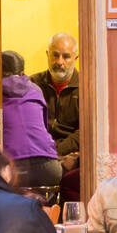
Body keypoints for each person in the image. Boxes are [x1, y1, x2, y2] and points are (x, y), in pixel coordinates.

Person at [30, 33, 82, 199]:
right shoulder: (32, 85)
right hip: (40, 155)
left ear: (76, 58)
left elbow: (84, 131)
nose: (60, 62)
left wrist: (57, 151)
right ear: (47, 54)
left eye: (66, 57)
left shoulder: (86, 86)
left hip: (72, 156)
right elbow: (28, 126)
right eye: (55, 55)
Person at [1, 50, 61, 192]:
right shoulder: (35, 90)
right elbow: (44, 127)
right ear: (22, 73)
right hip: (50, 168)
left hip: (15, 167)